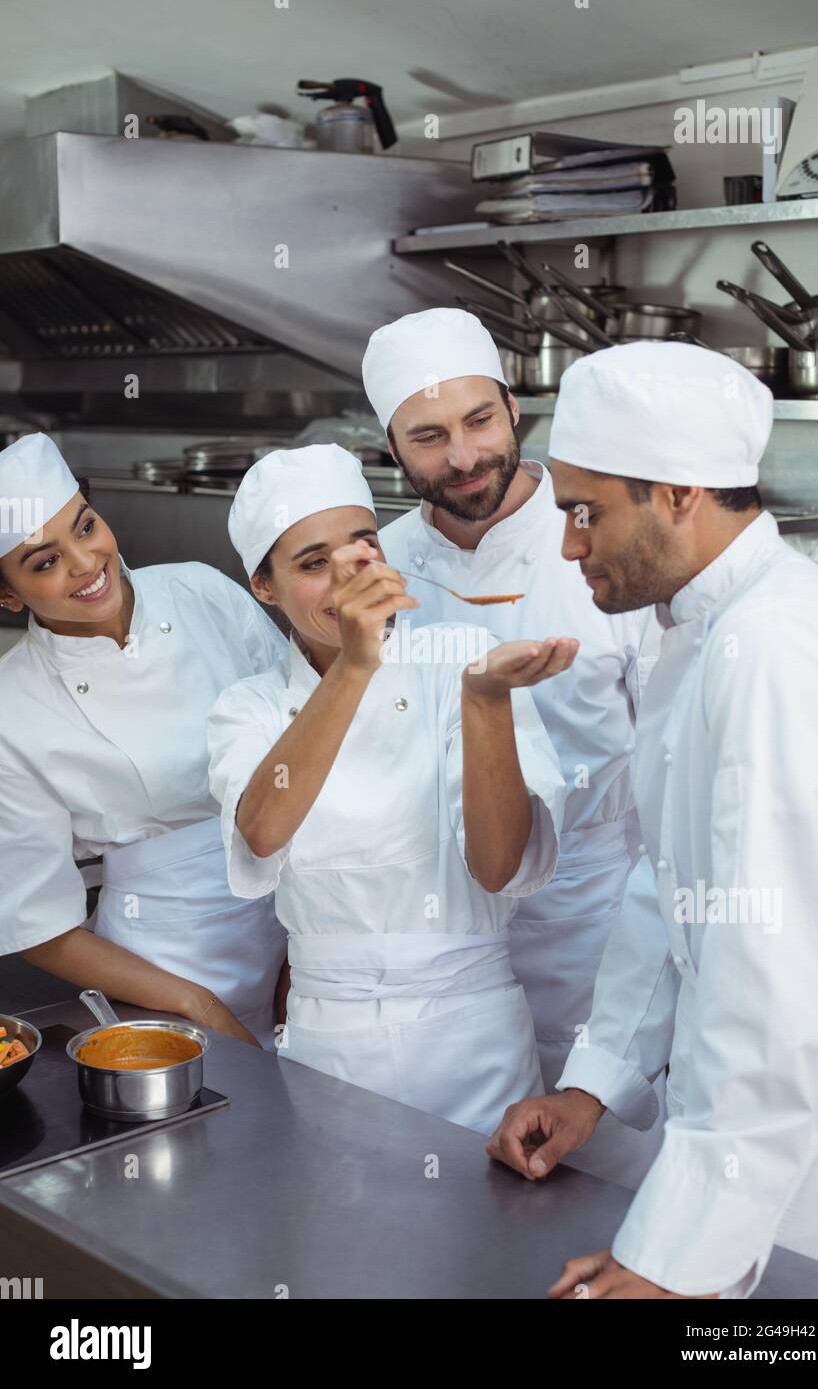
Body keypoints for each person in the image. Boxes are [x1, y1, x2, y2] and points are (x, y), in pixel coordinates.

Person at [488, 341, 818, 1298]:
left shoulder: (774, 653)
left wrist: (677, 1260)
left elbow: (776, 986)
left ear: (680, 494)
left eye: (586, 511)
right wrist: (594, 1084)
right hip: (743, 1151)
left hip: (806, 1161)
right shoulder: (703, 631)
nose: (569, 545)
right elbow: (672, 883)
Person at [362, 307, 665, 1185]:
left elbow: (673, 766)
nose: (461, 457)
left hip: (597, 929)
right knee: (468, 1204)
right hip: (441, 947)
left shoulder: (605, 547)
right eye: (428, 437)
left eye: (479, 422)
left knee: (610, 1196)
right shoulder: (374, 567)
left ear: (513, 408)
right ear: (389, 447)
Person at [206, 444, 572, 1133]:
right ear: (265, 587)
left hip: (477, 1039)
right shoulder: (247, 709)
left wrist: (486, 702)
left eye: (364, 544)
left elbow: (498, 870)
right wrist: (353, 667)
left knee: (494, 1236)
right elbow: (261, 829)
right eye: (313, 564)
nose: (350, 573)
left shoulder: (466, 659)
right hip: (331, 1046)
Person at [0, 433, 289, 1046]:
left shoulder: (201, 591)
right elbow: (40, 923)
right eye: (44, 561)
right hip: (163, 971)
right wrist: (198, 1003)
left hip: (305, 922)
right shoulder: (12, 707)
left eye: (84, 526)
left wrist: (310, 943)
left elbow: (304, 739)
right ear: (7, 594)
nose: (83, 563)